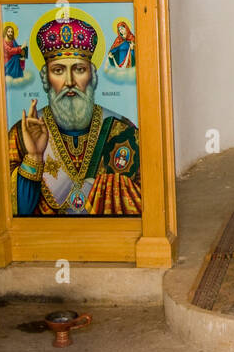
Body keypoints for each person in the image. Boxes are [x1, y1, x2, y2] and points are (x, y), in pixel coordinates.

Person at [7, 18, 140, 216]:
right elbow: (16, 215)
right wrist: (34, 157)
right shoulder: (22, 134)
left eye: (79, 69)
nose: (69, 82)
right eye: (58, 70)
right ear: (46, 78)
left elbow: (146, 202)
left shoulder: (121, 130)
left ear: (92, 76)